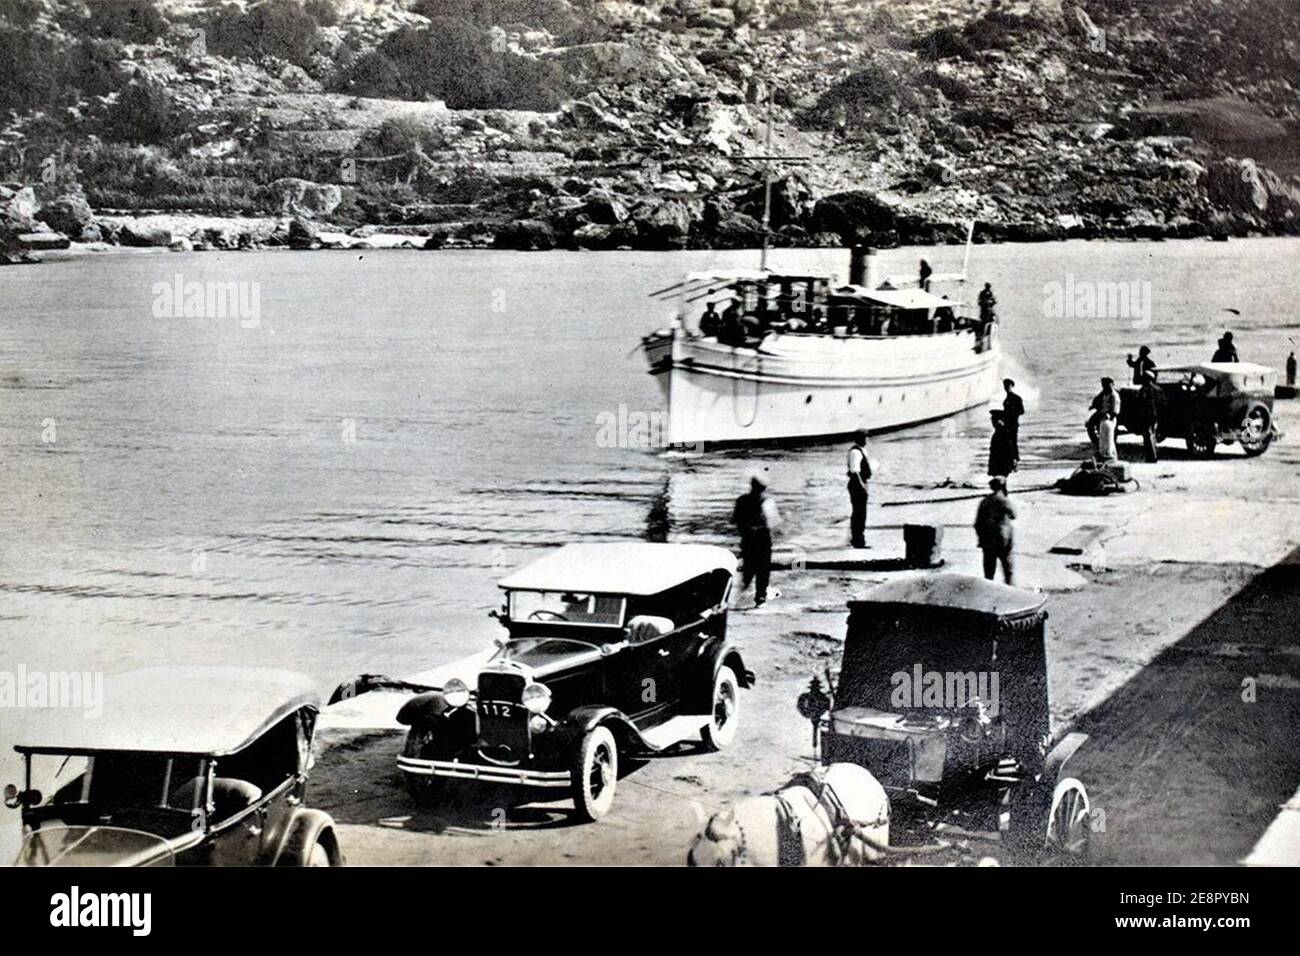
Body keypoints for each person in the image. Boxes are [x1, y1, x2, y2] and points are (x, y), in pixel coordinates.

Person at [733, 472, 780, 606]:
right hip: (761, 536)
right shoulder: (767, 502)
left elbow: (736, 520)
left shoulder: (742, 500)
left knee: (753, 566)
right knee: (762, 569)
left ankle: (751, 592)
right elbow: (774, 523)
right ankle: (758, 596)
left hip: (750, 536)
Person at [974, 477, 1016, 584]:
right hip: (1004, 538)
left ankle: (988, 592)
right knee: (1008, 570)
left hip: (988, 538)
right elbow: (1014, 515)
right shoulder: (1005, 501)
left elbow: (977, 523)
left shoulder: (984, 501)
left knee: (989, 571)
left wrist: (980, 538)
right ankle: (1010, 592)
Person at [846, 428, 872, 549]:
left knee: (861, 513)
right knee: (859, 513)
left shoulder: (862, 450)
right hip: (857, 485)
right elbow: (855, 471)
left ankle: (858, 538)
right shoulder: (855, 452)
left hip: (861, 483)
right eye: (865, 437)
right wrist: (863, 487)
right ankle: (858, 540)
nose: (867, 439)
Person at [1086, 377, 1121, 461]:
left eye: (1107, 385)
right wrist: (1093, 406)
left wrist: (1110, 416)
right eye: (1104, 385)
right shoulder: (1105, 393)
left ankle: (1109, 454)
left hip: (1109, 418)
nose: (1105, 387)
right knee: (1099, 432)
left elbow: (1115, 410)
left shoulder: (1114, 395)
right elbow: (1097, 400)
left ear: (1112, 385)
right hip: (1102, 415)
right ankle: (1102, 450)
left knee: (1108, 437)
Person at [1136, 372, 1164, 463]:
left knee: (1148, 436)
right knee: (1152, 435)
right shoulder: (1158, 389)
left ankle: (1151, 457)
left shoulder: (1143, 390)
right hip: (1154, 415)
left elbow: (1139, 403)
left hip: (1146, 416)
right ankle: (1154, 455)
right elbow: (1162, 403)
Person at [988, 410, 1017, 482]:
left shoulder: (1001, 431)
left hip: (1000, 464)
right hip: (1001, 464)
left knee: (1000, 483)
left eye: (993, 420)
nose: (992, 422)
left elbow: (1007, 448)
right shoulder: (1002, 430)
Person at [1001, 378, 1024, 465]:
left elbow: (1021, 411)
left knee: (1013, 440)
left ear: (1011, 386)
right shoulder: (1007, 398)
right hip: (1007, 423)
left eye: (1008, 386)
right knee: (1009, 440)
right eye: (1005, 386)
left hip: (1013, 423)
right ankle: (1011, 457)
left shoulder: (1016, 398)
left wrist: (1012, 413)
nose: (1006, 388)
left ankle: (1015, 458)